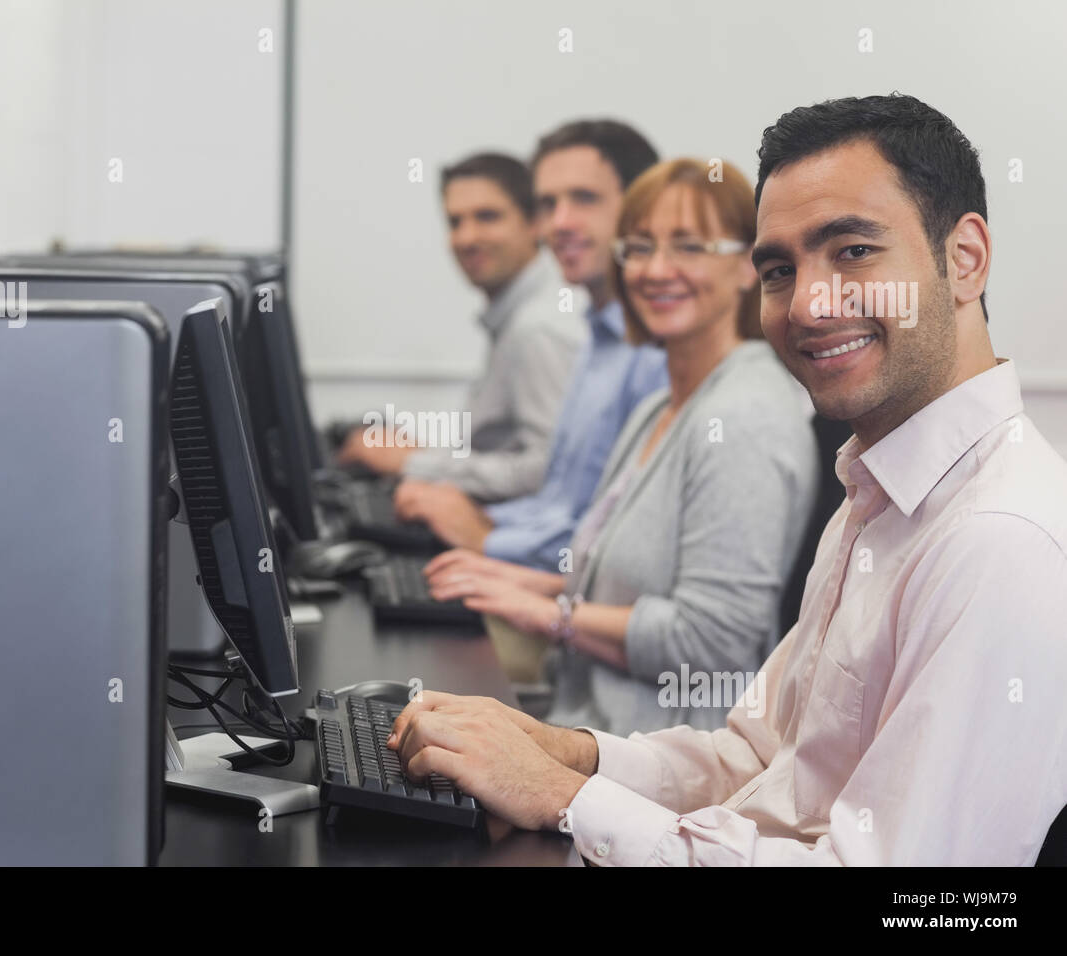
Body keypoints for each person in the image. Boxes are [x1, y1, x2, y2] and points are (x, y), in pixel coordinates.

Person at [387, 93, 1067, 865]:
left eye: (852, 251)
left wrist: (566, 801)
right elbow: (757, 757)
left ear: (965, 258)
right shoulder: (873, 498)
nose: (808, 303)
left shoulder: (999, 542)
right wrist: (570, 755)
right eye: (780, 268)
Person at [424, 158, 817, 737]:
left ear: (744, 266)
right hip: (590, 720)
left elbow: (710, 643)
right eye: (638, 247)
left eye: (688, 246)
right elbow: (632, 581)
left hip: (663, 761)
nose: (656, 269)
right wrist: (523, 585)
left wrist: (548, 614)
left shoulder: (743, 417)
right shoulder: (662, 406)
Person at [393, 120, 668, 560]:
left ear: (644, 208)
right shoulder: (599, 337)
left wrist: (486, 537)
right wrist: (481, 522)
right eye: (547, 204)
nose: (559, 223)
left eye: (584, 198)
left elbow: (630, 551)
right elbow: (564, 507)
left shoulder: (653, 352)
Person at [335, 153, 584, 502]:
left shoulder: (538, 327)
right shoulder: (517, 315)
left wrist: (413, 462)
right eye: (455, 222)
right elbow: (501, 443)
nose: (467, 238)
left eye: (487, 217)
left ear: (535, 223)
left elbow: (546, 470)